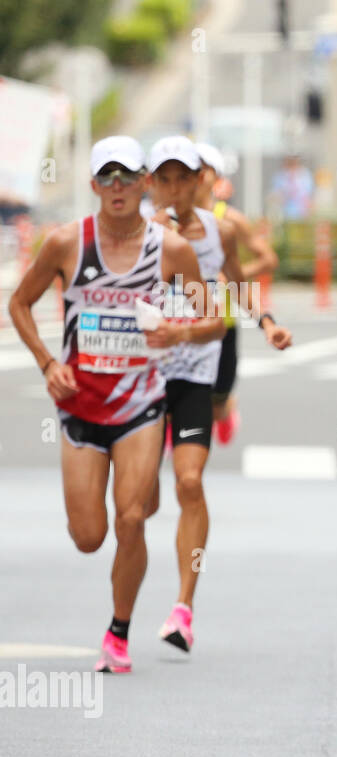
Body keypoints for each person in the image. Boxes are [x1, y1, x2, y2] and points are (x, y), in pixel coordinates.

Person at [6, 136, 217, 673]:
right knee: (88, 536)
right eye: (108, 177)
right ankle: (116, 605)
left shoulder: (170, 249)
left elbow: (215, 317)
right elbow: (19, 303)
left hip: (141, 403)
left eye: (129, 177)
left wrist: (180, 332)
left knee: (130, 519)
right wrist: (48, 364)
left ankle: (118, 632)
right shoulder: (65, 243)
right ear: (94, 185)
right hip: (80, 409)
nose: (119, 187)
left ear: (145, 183)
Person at [144, 136, 284, 653]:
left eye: (188, 176)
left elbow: (233, 282)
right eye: (167, 178)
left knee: (188, 482)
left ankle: (183, 608)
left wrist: (267, 323)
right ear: (152, 183)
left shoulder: (221, 231)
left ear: (202, 178)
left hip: (195, 370)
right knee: (140, 502)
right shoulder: (140, 232)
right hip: (141, 378)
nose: (178, 187)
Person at [193, 142, 290, 445]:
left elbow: (266, 260)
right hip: (178, 333)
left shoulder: (228, 221)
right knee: (186, 415)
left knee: (217, 402)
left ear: (214, 177)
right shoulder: (162, 222)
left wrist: (267, 322)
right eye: (188, 170)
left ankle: (225, 409)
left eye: (202, 170)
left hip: (222, 327)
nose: (194, 176)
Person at [271, 154, 314, 221]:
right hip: (285, 211)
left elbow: (308, 195)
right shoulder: (280, 176)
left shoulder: (305, 175)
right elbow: (276, 194)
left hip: (302, 211)